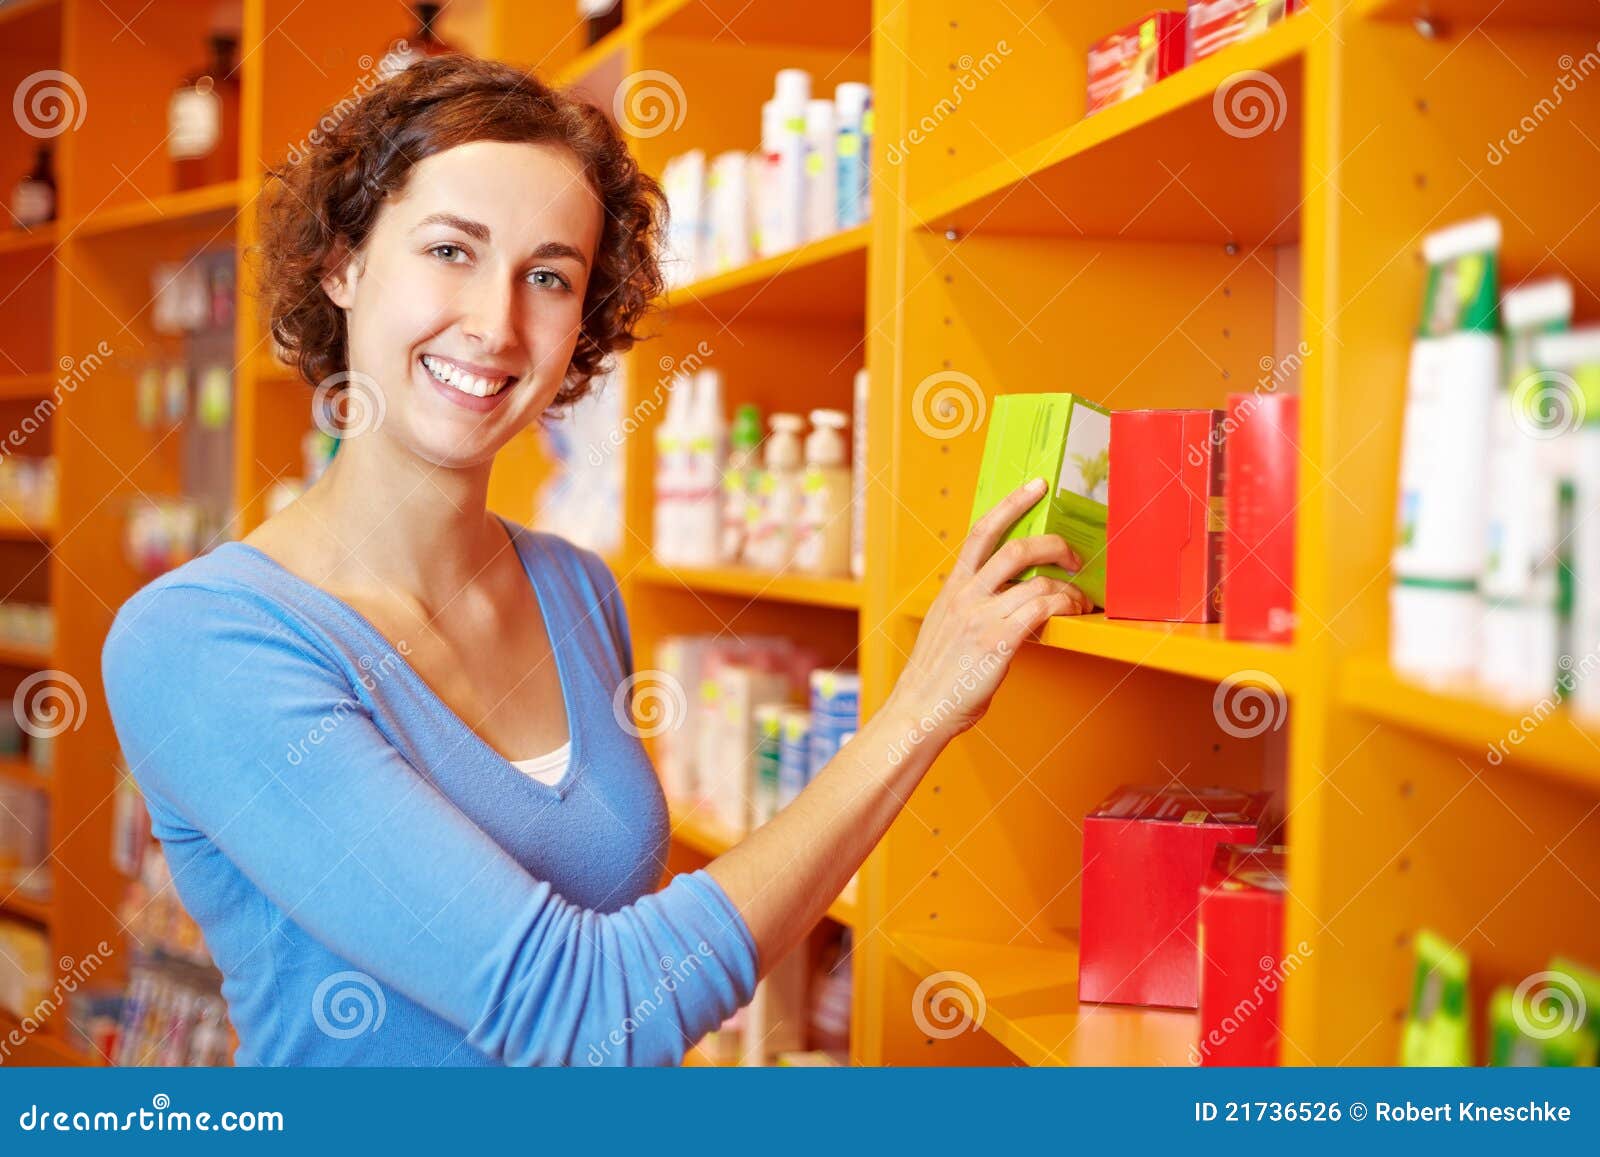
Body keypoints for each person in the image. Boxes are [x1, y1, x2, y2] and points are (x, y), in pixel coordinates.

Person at [100, 55, 1090, 1066]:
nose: (494, 323)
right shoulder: (201, 642)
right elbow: (585, 1009)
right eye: (449, 249)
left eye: (548, 276)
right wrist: (919, 709)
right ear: (341, 265)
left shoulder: (574, 588)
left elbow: (628, 943)